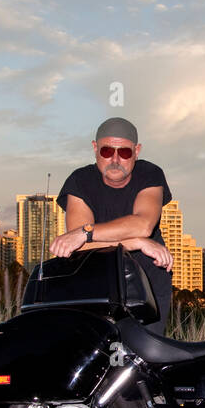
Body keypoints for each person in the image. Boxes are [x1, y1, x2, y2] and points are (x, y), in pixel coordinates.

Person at [49, 117, 174, 334]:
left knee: (145, 357)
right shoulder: (79, 181)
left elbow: (143, 225)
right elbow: (80, 247)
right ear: (95, 148)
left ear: (137, 151)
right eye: (107, 151)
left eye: (124, 152)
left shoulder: (150, 174)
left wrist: (86, 232)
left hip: (148, 287)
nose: (115, 159)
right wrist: (136, 243)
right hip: (96, 286)